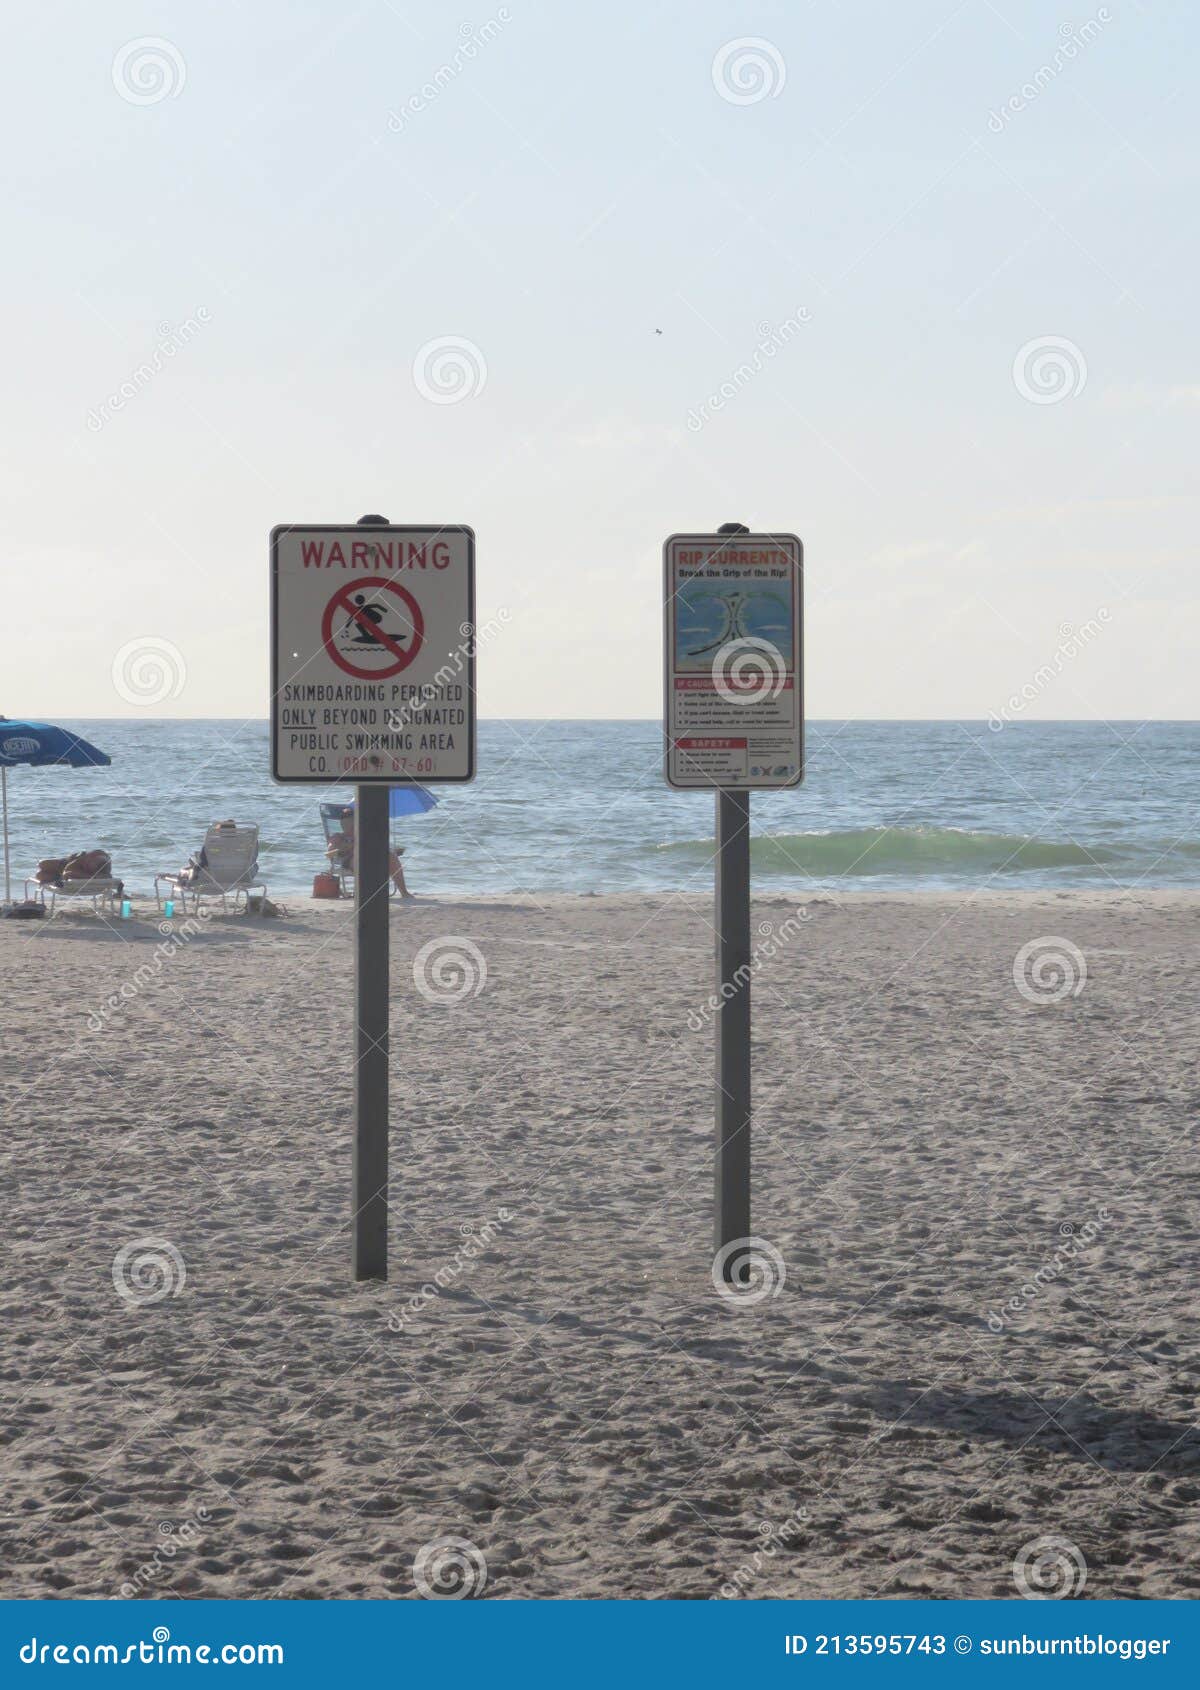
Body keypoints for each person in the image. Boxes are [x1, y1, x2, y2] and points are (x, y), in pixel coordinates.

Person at [326, 818, 412, 898]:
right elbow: (329, 853)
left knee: (391, 856)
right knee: (360, 857)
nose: (351, 826)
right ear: (343, 825)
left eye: (353, 823)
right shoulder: (338, 837)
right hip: (350, 860)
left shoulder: (364, 834)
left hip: (370, 857)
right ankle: (365, 891)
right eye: (348, 823)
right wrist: (342, 848)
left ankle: (404, 892)